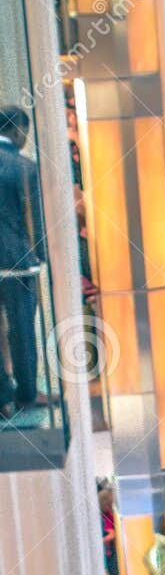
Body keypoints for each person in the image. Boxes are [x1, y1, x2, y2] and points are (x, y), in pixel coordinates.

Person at [0, 107, 43, 413]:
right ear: (17, 130)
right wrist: (41, 256)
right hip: (17, 260)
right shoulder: (24, 167)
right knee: (22, 329)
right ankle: (27, 393)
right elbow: (34, 221)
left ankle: (2, 398)